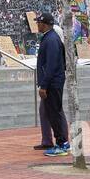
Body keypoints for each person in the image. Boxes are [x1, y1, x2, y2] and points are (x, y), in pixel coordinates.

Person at [33, 13, 70, 156]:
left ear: (45, 24)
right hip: (53, 82)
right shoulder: (49, 38)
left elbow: (51, 65)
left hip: (53, 83)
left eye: (39, 23)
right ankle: (61, 142)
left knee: (54, 113)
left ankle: (62, 143)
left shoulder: (52, 40)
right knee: (52, 112)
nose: (38, 25)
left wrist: (44, 85)